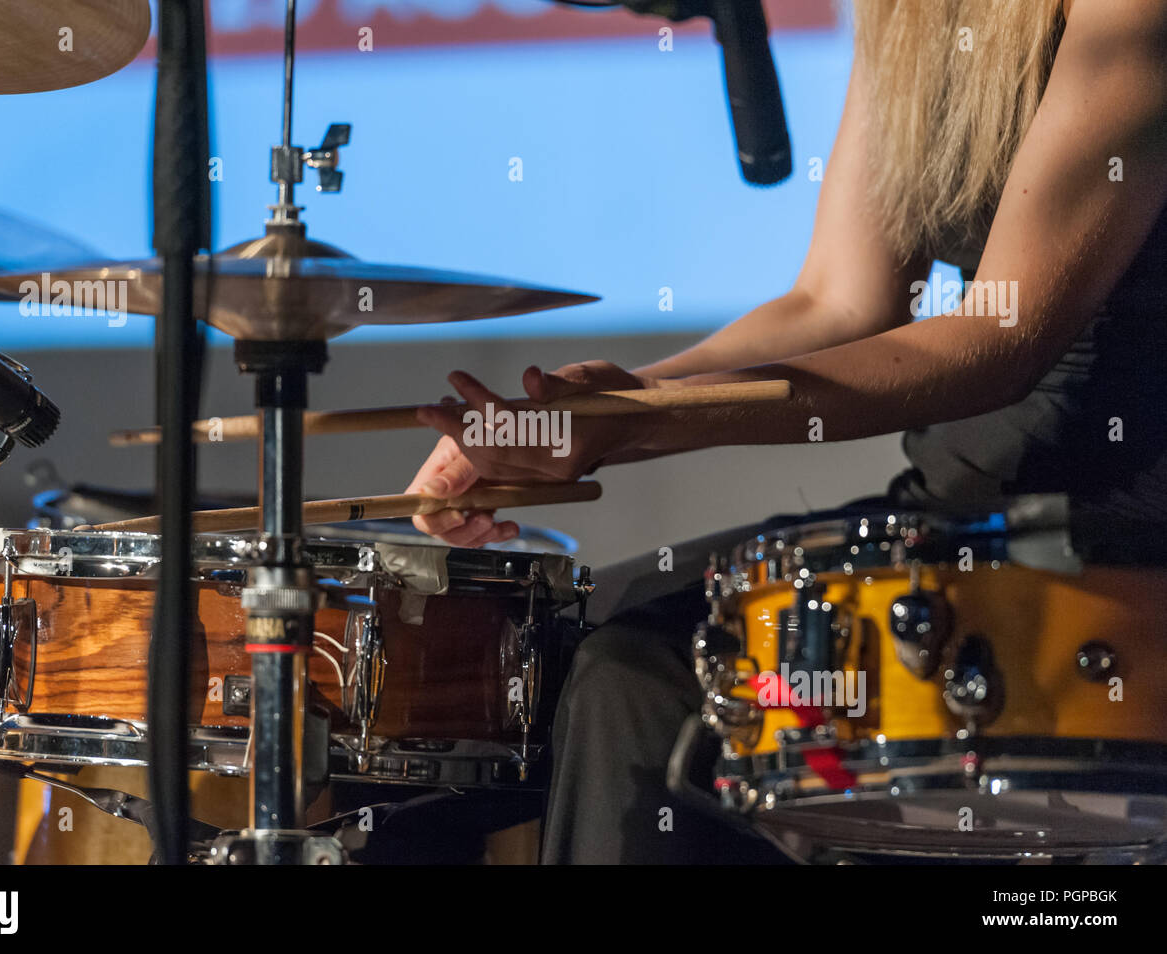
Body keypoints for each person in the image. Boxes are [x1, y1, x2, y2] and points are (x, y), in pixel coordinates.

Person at [405, 0, 1167, 863]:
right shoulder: (909, 17)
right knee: (543, 651)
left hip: (1117, 533)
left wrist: (632, 424)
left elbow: (1001, 339)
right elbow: (837, 303)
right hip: (961, 509)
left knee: (639, 680)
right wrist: (595, 409)